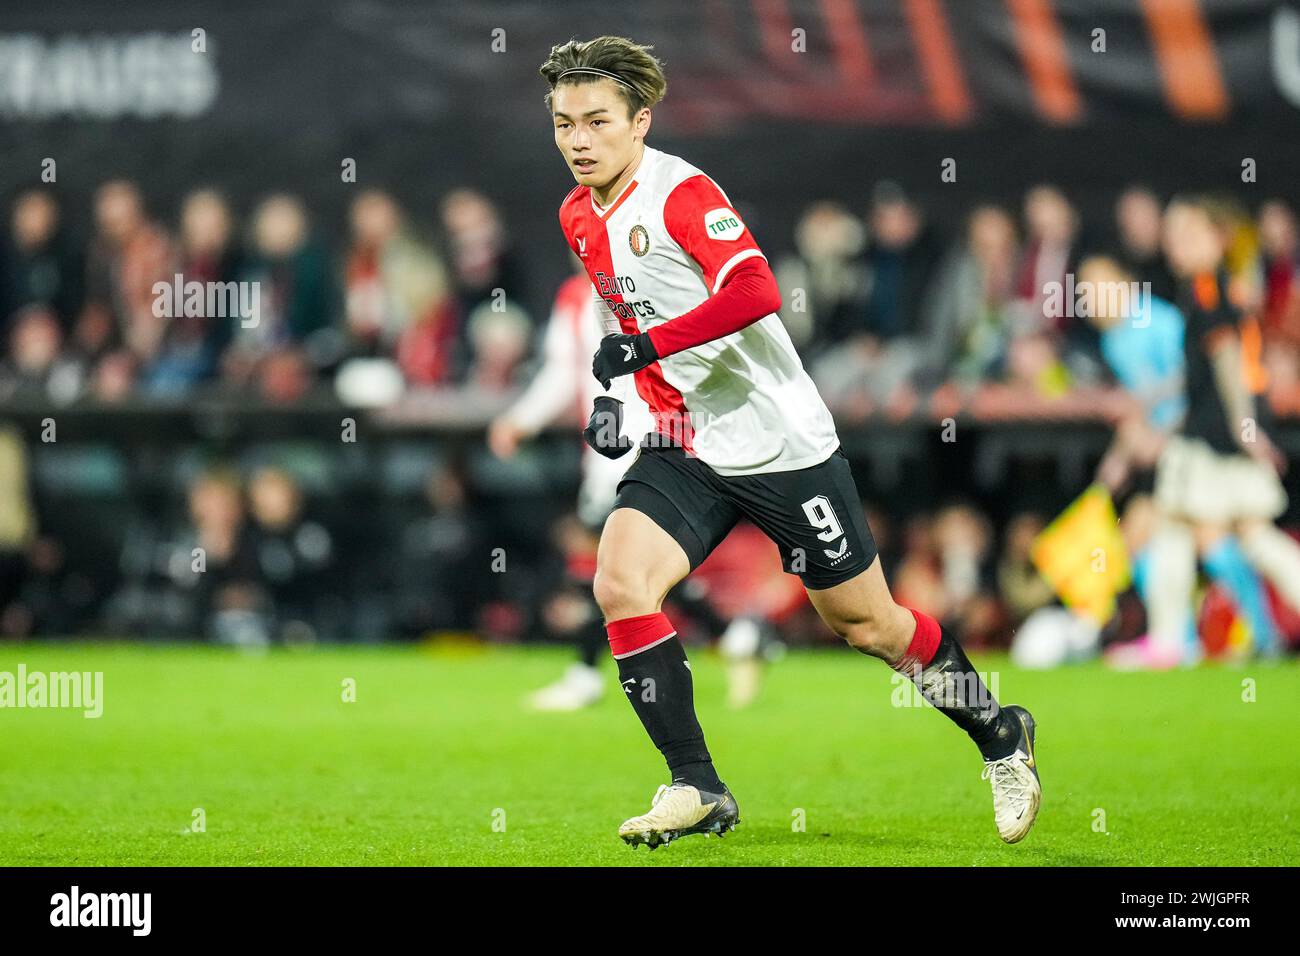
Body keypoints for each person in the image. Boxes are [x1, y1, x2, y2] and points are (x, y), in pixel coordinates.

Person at [540, 35, 1041, 849]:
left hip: (779, 443)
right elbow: (614, 317)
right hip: (685, 440)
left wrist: (651, 347)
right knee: (621, 584)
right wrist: (613, 399)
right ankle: (696, 785)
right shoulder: (577, 215)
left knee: (867, 625)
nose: (577, 140)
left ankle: (1000, 733)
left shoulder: (683, 194)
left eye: (596, 121)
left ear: (640, 122)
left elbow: (757, 288)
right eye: (563, 124)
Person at [1145, 198, 1300, 664]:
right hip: (1215, 431)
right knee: (1252, 534)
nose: (1177, 243)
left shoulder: (1209, 287)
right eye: (1172, 234)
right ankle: (1180, 638)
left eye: (1189, 233)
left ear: (1219, 238)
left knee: (1175, 526)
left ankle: (1172, 641)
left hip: (1216, 438)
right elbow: (1203, 374)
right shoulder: (1214, 287)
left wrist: (1246, 429)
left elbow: (1228, 362)